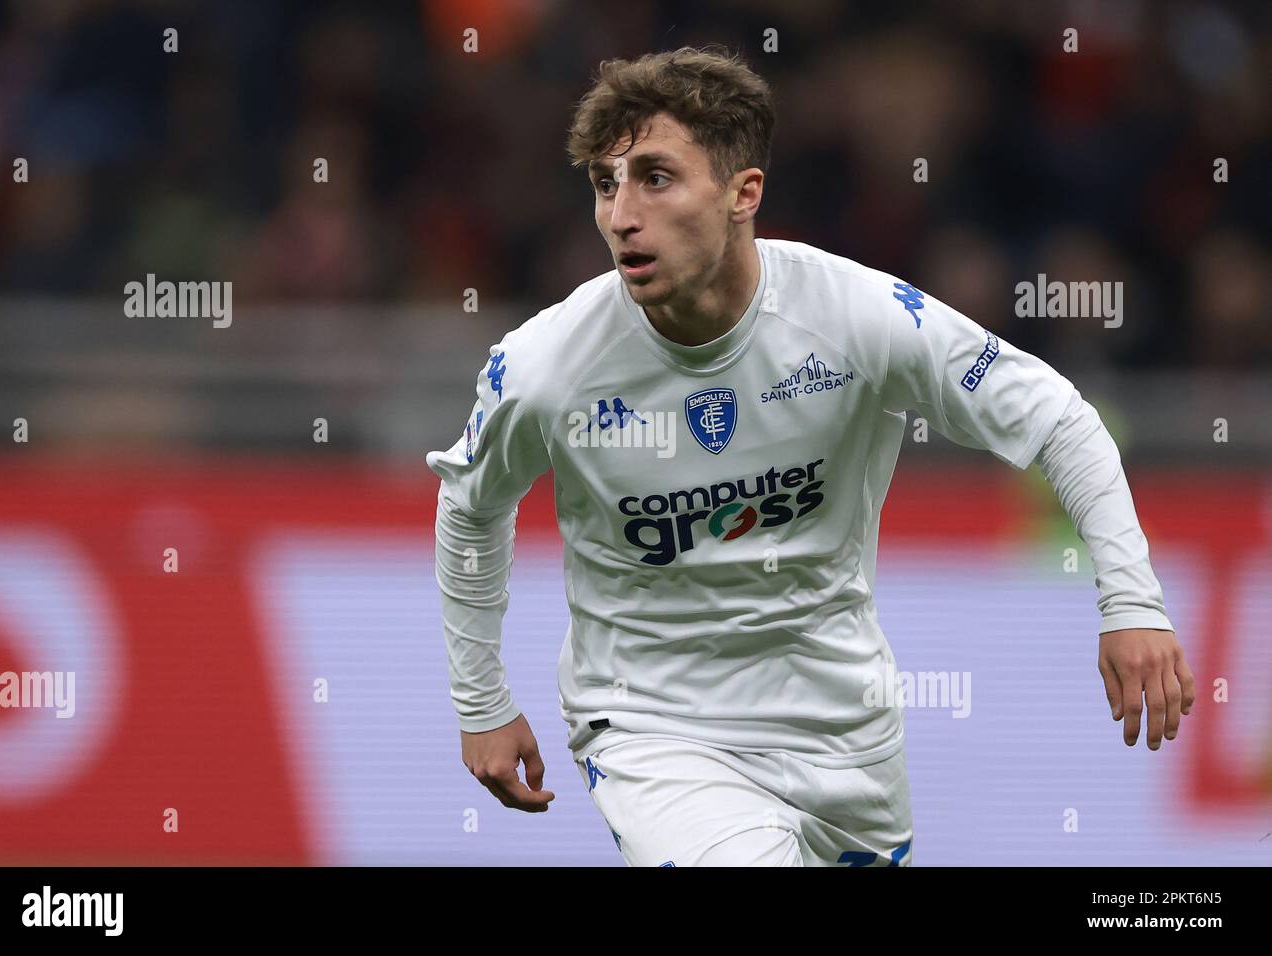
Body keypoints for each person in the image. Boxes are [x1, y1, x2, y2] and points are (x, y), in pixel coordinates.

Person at [427, 46, 1193, 867]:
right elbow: (472, 506)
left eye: (655, 177)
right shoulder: (547, 364)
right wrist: (481, 702)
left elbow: (1058, 419)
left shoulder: (855, 317)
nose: (620, 214)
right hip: (652, 730)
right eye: (605, 184)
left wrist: (1133, 603)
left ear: (742, 194)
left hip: (844, 736)